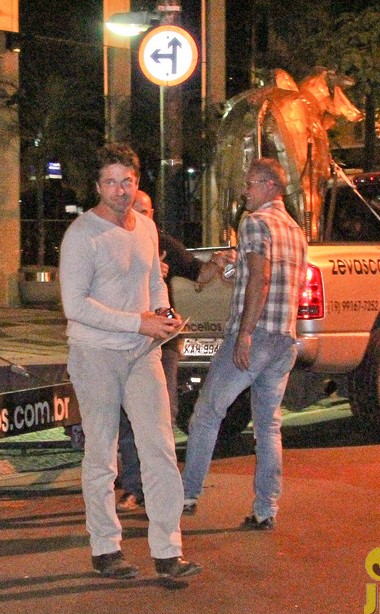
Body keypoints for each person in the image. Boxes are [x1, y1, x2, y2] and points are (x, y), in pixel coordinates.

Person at [59, 143, 201, 581]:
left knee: (158, 447)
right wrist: (136, 323)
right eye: (110, 182)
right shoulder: (82, 235)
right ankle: (105, 548)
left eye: (127, 181)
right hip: (95, 353)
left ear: (137, 182)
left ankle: (168, 551)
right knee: (102, 453)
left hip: (143, 354)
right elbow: (74, 306)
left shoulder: (147, 229)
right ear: (97, 187)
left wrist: (163, 315)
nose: (120, 190)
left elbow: (155, 285)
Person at [181, 158, 308, 530]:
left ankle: (187, 494)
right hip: (285, 337)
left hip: (256, 335)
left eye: (251, 184)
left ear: (270, 185)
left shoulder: (255, 223)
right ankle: (266, 508)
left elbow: (261, 280)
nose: (245, 192)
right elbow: (263, 275)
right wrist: (231, 267)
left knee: (207, 413)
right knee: (268, 425)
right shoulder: (296, 232)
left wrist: (247, 333)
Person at [115, 190, 202, 509]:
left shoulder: (162, 243)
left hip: (163, 342)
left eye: (147, 211)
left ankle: (162, 487)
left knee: (164, 412)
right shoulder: (113, 240)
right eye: (135, 210)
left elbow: (196, 269)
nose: (141, 216)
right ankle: (134, 487)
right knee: (127, 416)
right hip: (127, 340)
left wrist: (223, 264)